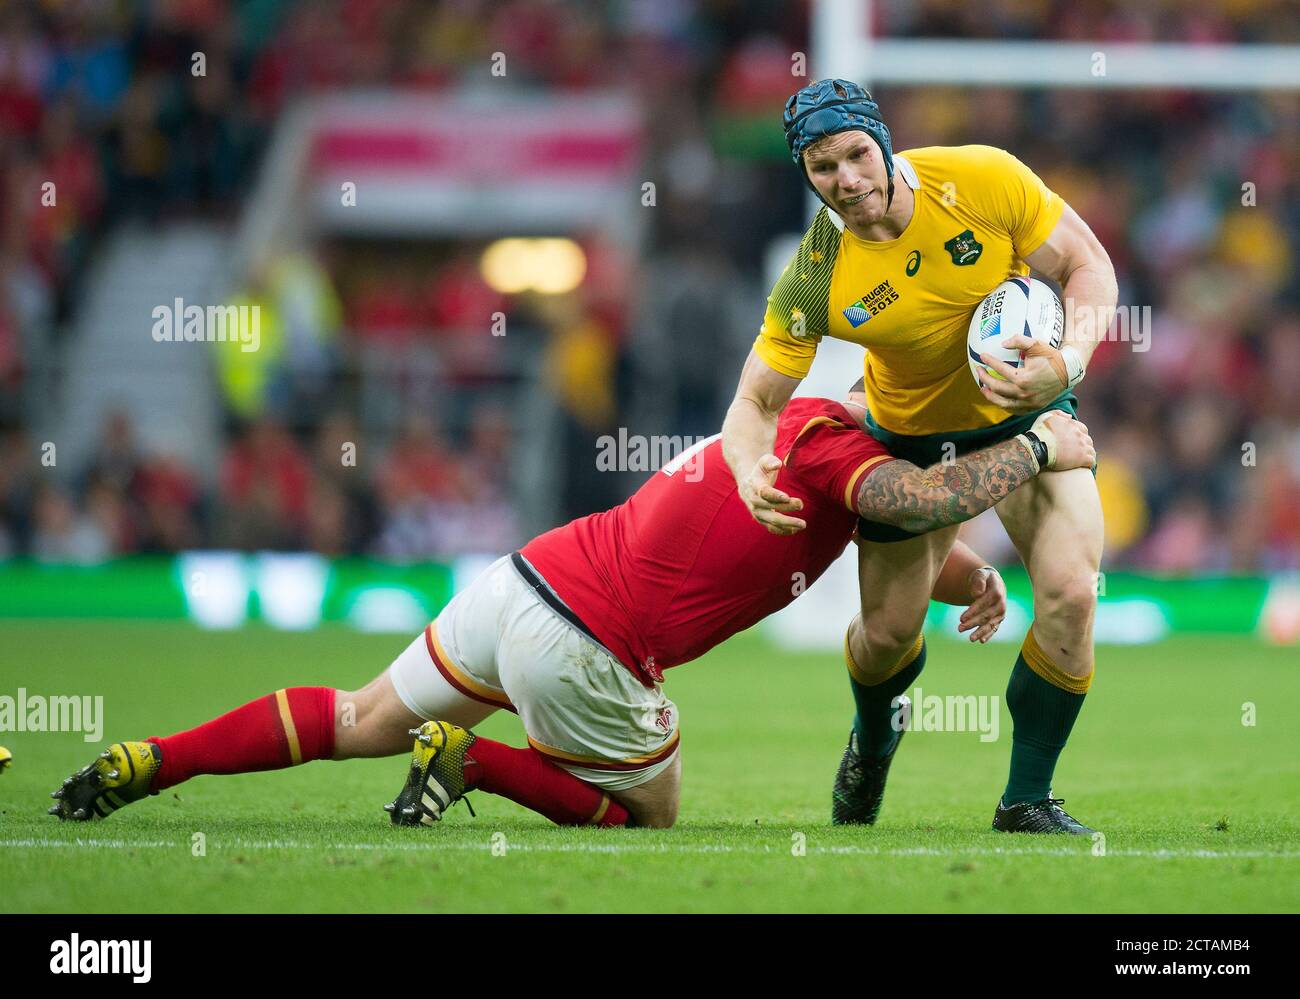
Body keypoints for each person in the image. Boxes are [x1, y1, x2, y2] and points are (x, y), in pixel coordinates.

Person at [49, 393, 1093, 829]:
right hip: (589, 641)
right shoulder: (845, 454)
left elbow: (903, 537)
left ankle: (155, 759)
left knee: (357, 718)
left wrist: (975, 577)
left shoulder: (801, 427)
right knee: (654, 809)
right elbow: (907, 505)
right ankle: (466, 759)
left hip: (524, 577)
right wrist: (1040, 444)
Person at [720, 79, 1118, 834]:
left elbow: (1088, 264)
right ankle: (872, 741)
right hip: (912, 442)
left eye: (857, 155)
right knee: (885, 638)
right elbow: (755, 403)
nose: (846, 179)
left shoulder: (980, 179)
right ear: (805, 174)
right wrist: (747, 466)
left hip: (1030, 406)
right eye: (822, 166)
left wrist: (1064, 364)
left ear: (884, 141)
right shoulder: (816, 271)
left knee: (1072, 592)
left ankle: (1026, 797)